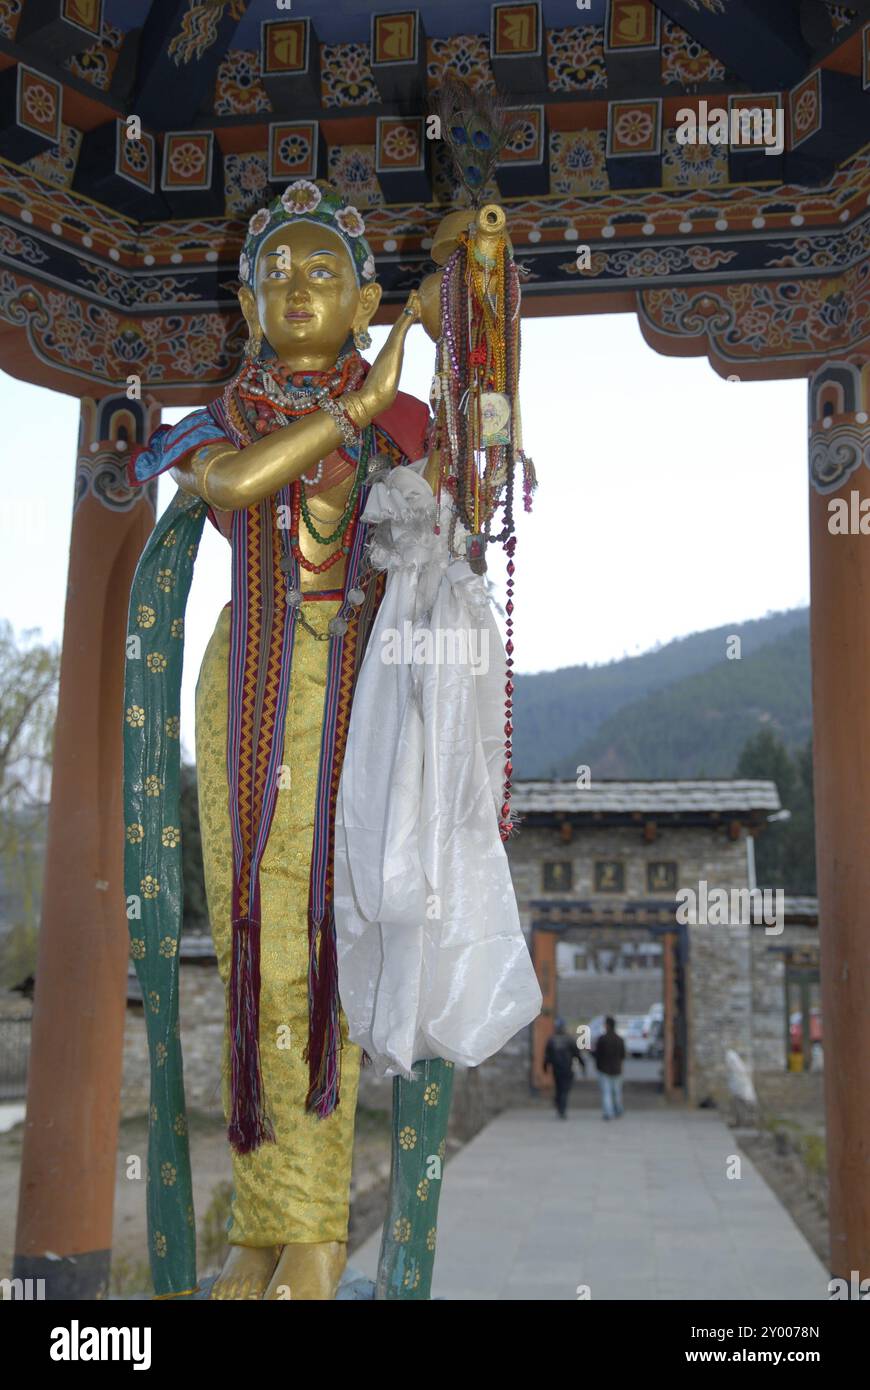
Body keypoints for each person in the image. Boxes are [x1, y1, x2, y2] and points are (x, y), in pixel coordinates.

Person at [123, 180, 541, 1301]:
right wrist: (356, 410)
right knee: (260, 940)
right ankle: (269, 1226)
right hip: (249, 684)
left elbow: (483, 471)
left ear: (365, 299)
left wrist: (483, 290)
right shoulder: (232, 416)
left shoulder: (406, 420)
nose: (297, 290)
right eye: (276, 275)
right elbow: (229, 483)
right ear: (249, 305)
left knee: (337, 928)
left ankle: (306, 1232)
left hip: (360, 686)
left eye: (322, 274)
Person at [543, 1018, 586, 1118]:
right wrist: (582, 1065)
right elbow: (577, 1054)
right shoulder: (569, 1039)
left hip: (557, 1069)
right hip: (566, 1068)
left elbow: (547, 1056)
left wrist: (545, 1067)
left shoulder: (552, 1040)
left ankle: (559, 1105)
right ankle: (562, 1108)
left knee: (559, 1088)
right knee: (564, 1089)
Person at [594, 1015, 626, 1120]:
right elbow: (623, 1055)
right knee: (617, 1092)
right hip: (617, 1069)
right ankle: (618, 1110)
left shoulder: (602, 1039)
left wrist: (598, 1066)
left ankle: (608, 1112)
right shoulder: (619, 1039)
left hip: (604, 1069)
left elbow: (597, 1054)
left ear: (607, 1025)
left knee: (606, 1092)